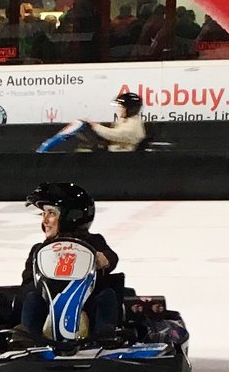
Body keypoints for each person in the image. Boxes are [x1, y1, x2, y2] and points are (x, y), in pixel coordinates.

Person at [15, 182, 119, 345]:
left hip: (84, 305)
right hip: (48, 306)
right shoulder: (39, 250)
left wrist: (104, 259)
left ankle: (104, 338)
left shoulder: (93, 242)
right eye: (43, 214)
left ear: (71, 217)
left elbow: (112, 258)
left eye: (51, 214)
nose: (45, 221)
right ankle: (27, 340)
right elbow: (27, 283)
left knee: (108, 296)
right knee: (31, 298)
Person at [36, 91, 146, 155]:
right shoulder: (125, 120)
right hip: (111, 150)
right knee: (81, 131)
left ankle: (44, 149)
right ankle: (46, 147)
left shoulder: (133, 126)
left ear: (130, 109)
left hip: (119, 156)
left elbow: (113, 134)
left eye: (122, 107)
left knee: (85, 149)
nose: (119, 110)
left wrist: (94, 125)